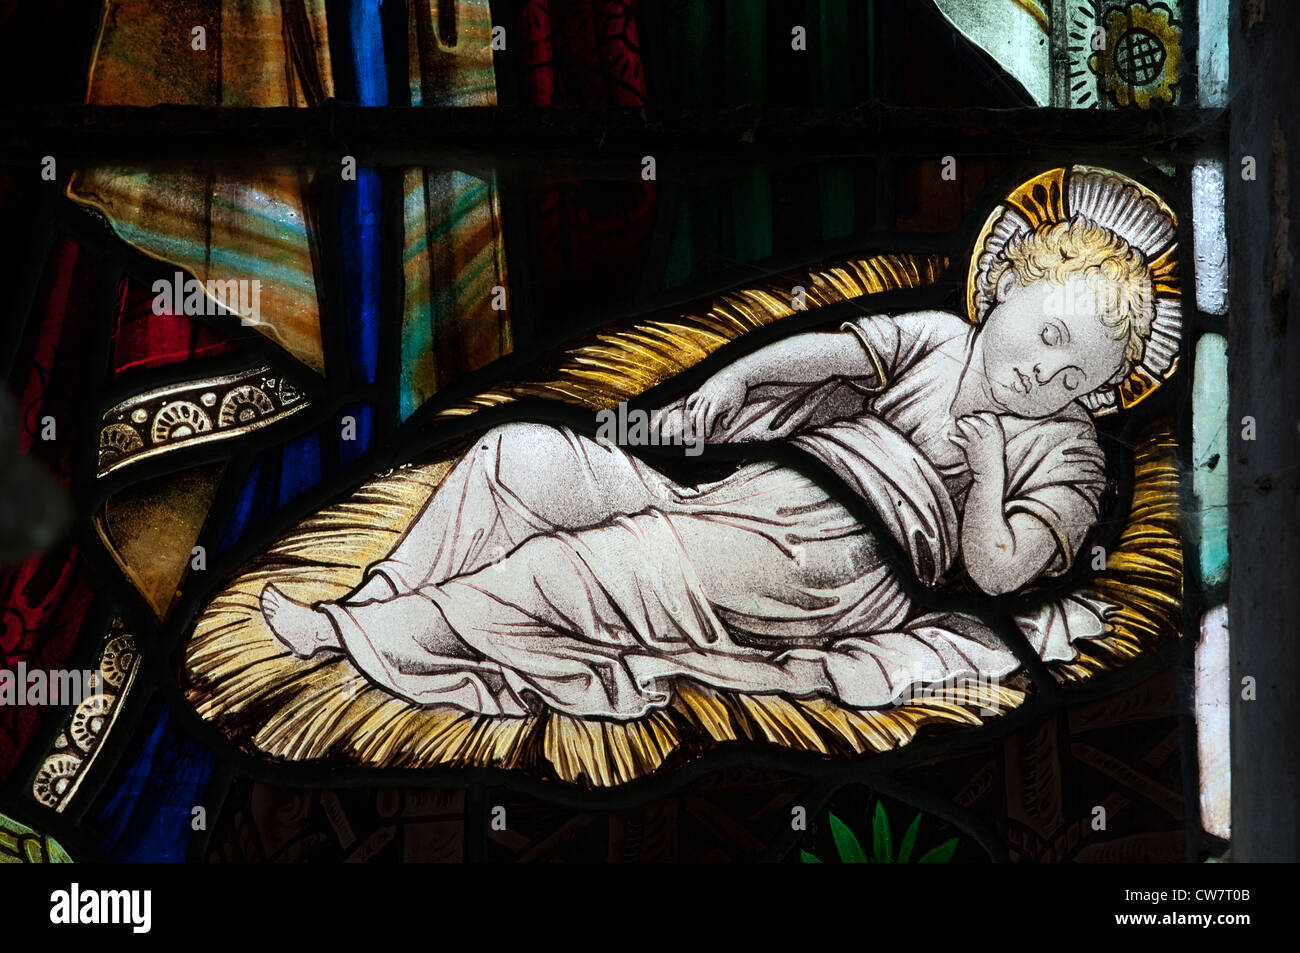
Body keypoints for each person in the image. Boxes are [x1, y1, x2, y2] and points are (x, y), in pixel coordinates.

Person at [260, 216, 1153, 719]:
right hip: (745, 493)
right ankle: (377, 598)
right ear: (1000, 288)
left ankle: (353, 637)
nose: (1046, 371)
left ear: (1100, 395)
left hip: (837, 568)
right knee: (515, 456)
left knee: (569, 570)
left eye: (1078, 373)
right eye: (1045, 331)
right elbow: (818, 358)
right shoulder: (941, 338)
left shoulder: (1068, 457)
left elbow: (1000, 571)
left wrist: (991, 471)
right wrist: (710, 401)